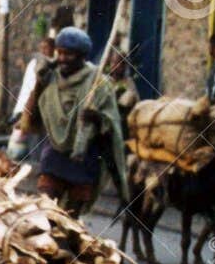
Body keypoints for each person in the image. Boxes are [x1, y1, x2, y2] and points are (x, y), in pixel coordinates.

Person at [11, 26, 127, 218]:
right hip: (54, 156)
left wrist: (97, 118)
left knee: (69, 219)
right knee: (44, 211)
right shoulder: (49, 78)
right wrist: (39, 83)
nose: (62, 59)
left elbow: (112, 125)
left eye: (69, 54)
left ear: (82, 56)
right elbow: (34, 109)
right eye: (60, 53)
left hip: (83, 160)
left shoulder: (99, 84)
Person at [7, 34, 55, 156]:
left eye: (46, 47)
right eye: (42, 47)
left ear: (53, 49)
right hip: (29, 103)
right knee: (24, 136)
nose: (43, 50)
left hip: (42, 107)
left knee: (39, 138)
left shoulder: (53, 66)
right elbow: (28, 86)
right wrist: (22, 108)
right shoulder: (35, 63)